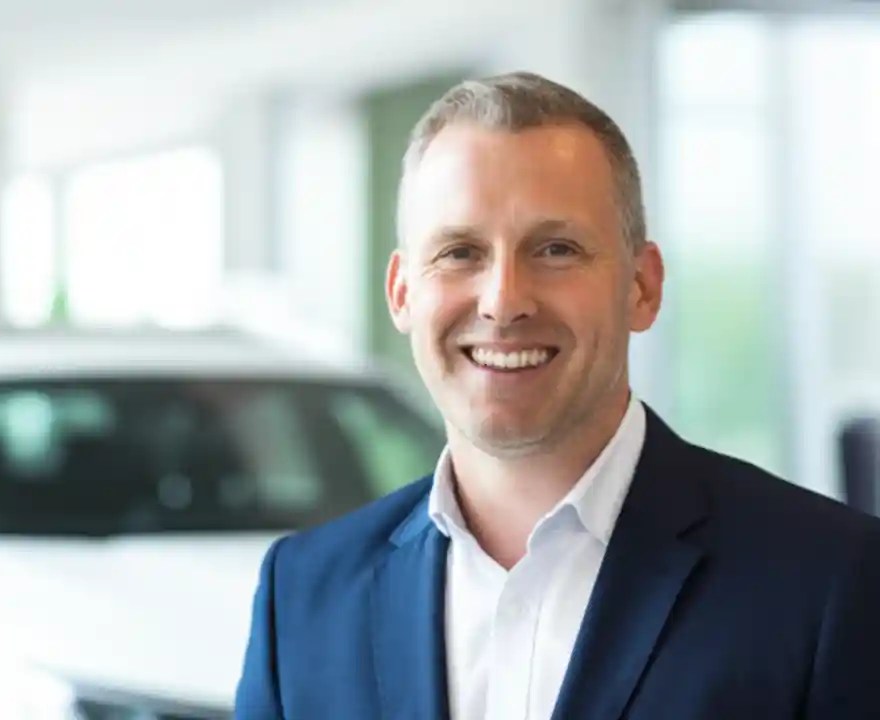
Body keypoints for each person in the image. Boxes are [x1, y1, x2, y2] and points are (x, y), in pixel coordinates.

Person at [234, 71, 880, 719]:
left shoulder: (829, 583)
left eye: (556, 249)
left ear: (642, 286)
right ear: (403, 292)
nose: (504, 301)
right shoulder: (304, 595)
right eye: (460, 252)